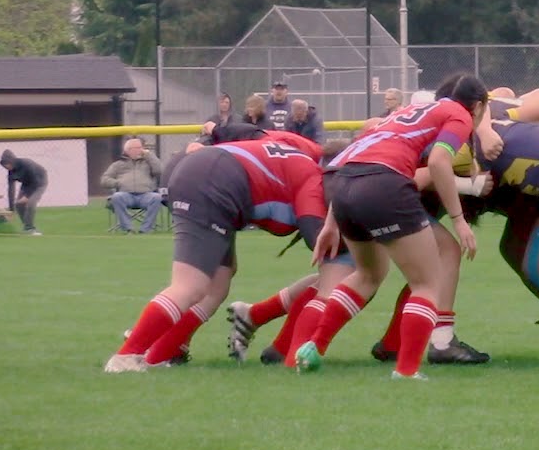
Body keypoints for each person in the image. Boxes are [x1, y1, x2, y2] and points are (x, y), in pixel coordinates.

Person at [292, 72, 488, 380]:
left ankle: (313, 348)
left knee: (368, 274)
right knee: (427, 282)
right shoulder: (459, 114)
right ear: (477, 106)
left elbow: (350, 158)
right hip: (384, 185)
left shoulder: (400, 113)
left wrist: (331, 222)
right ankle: (406, 371)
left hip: (342, 186)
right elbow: (438, 162)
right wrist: (459, 220)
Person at [104, 133, 346, 373]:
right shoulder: (313, 180)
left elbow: (252, 135)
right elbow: (316, 235)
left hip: (208, 171)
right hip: (214, 183)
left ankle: (158, 355)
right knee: (191, 285)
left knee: (218, 285)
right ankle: (128, 354)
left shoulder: (304, 148)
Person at [101, 137, 164, 234]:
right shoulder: (118, 164)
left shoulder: (148, 162)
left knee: (156, 197)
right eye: (137, 148)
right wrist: (117, 183)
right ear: (128, 150)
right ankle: (128, 228)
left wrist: (149, 155)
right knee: (117, 197)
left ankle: (145, 229)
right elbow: (104, 180)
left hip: (145, 195)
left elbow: (159, 171)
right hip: (126, 195)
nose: (140, 150)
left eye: (141, 147)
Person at [0, 149, 47, 235]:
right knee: (18, 204)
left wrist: (27, 196)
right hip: (26, 184)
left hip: (39, 182)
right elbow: (11, 189)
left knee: (31, 203)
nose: (7, 166)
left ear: (12, 161)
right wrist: (11, 210)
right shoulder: (11, 172)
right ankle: (27, 227)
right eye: (5, 165)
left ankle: (30, 228)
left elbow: (35, 182)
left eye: (8, 163)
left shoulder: (26, 164)